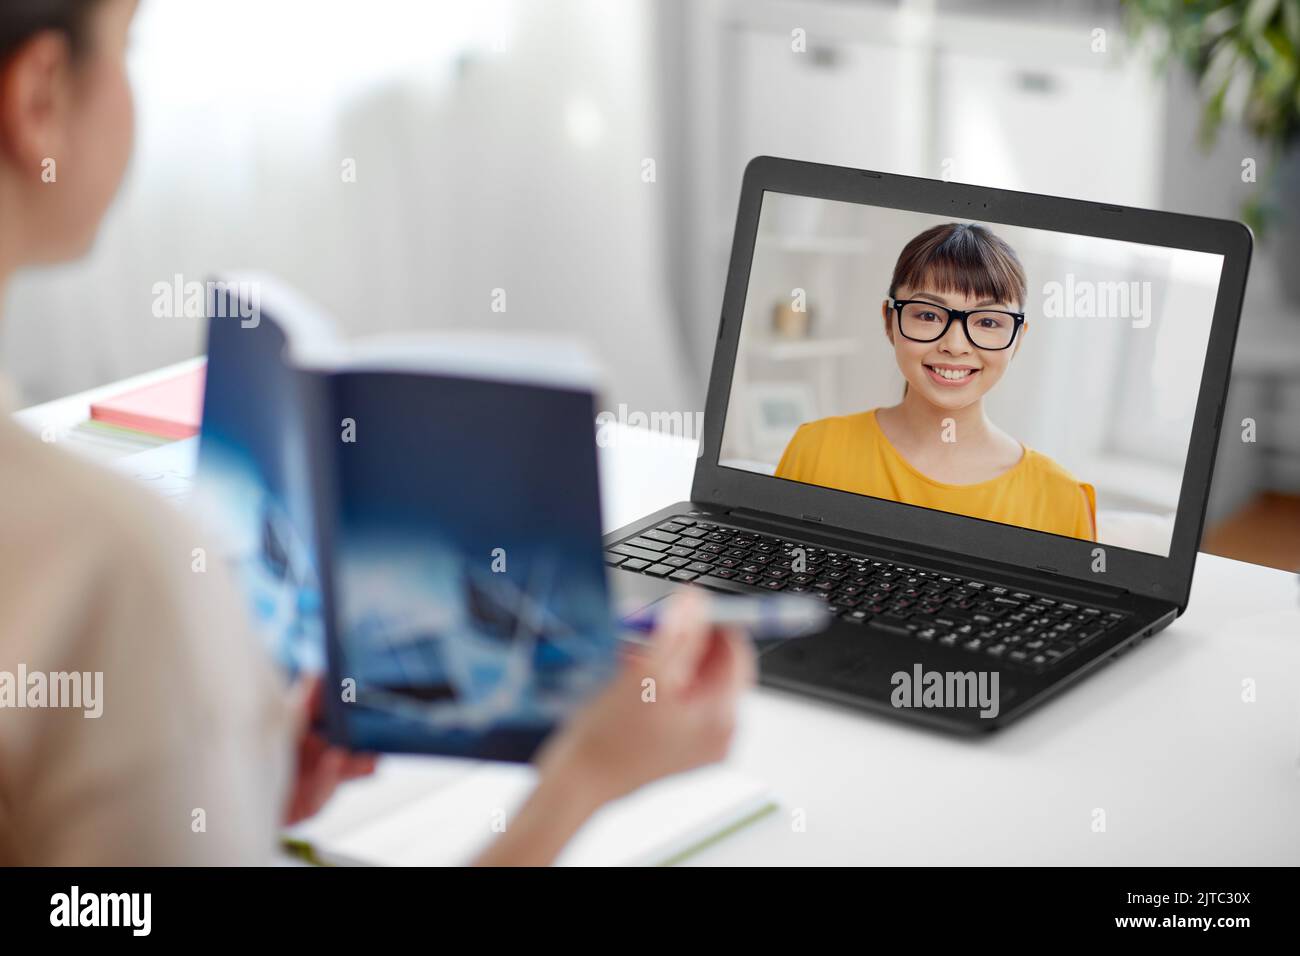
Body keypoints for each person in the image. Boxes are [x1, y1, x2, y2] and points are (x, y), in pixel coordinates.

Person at [0, 0, 753, 866]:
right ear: (38, 98)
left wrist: (226, 792)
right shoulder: (118, 567)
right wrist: (584, 776)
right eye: (128, 46)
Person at [775, 222, 1096, 542]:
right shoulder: (815, 450)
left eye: (987, 321)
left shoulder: (1061, 499)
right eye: (929, 315)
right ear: (890, 320)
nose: (955, 345)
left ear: (1018, 339)